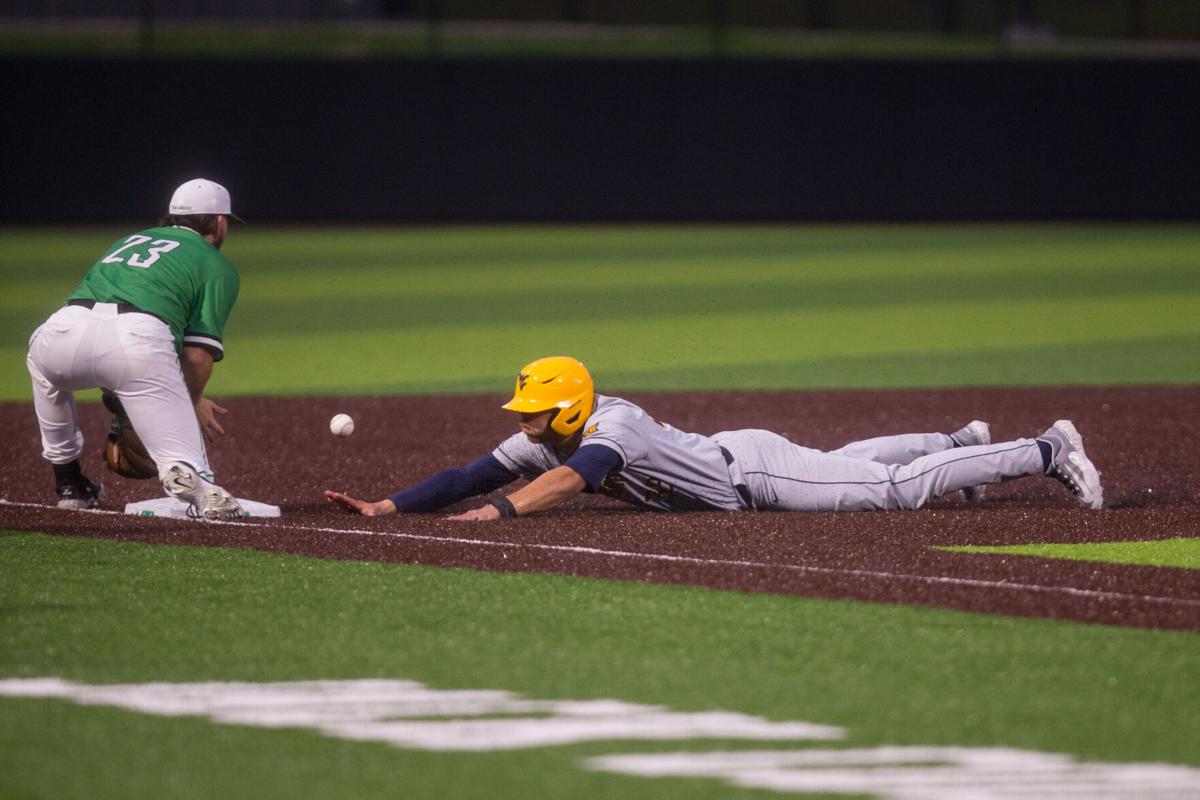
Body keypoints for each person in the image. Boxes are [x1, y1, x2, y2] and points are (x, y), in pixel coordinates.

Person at [325, 356, 1104, 520]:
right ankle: (958, 438)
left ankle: (1045, 450)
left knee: (891, 492)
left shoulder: (610, 430)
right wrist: (387, 508)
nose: (521, 424)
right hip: (736, 452)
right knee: (844, 464)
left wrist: (503, 515)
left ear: (567, 409)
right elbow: (467, 475)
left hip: (752, 476)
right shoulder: (552, 440)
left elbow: (573, 481)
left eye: (532, 413)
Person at [26, 178, 246, 520]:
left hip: (64, 329)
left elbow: (97, 338)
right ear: (219, 222)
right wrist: (188, 402)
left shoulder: (127, 241)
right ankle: (197, 482)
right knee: (179, 454)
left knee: (44, 371)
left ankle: (69, 482)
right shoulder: (217, 266)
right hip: (138, 342)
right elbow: (197, 356)